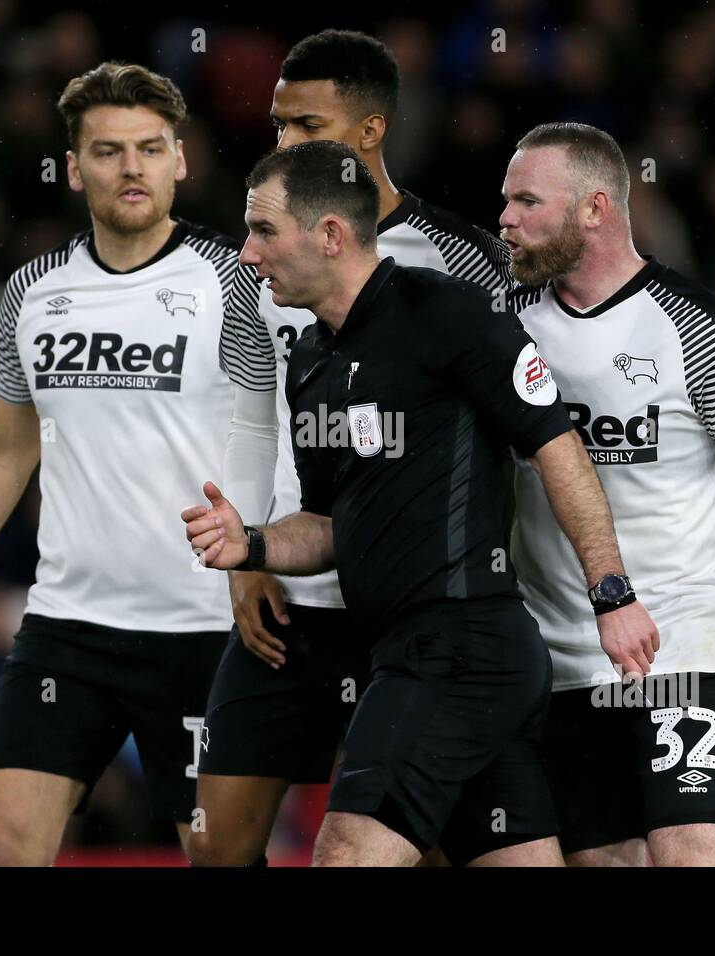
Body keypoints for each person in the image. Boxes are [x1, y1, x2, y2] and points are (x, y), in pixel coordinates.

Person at [183, 140, 660, 866]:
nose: (247, 255)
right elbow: (331, 528)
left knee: (346, 852)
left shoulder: (445, 311)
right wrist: (249, 543)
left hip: (459, 647)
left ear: (332, 235)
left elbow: (555, 446)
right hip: (410, 654)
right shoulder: (311, 362)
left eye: (264, 231)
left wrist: (611, 591)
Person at [0, 62, 239, 864]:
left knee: (221, 854)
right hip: (70, 626)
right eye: (108, 151)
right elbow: (2, 452)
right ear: (74, 168)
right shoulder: (36, 290)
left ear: (181, 160)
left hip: (205, 628)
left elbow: (281, 439)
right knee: (4, 837)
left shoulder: (236, 284)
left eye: (149, 148)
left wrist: (278, 565)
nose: (131, 167)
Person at [195, 29, 514, 867]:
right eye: (277, 126)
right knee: (214, 844)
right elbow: (252, 412)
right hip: (294, 600)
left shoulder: (464, 260)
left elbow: (515, 430)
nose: (284, 144)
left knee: (418, 844)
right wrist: (250, 554)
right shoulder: (255, 263)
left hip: (417, 609)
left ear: (370, 132)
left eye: (307, 127)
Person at [501, 122, 715, 866]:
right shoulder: (504, 326)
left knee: (695, 850)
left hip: (683, 644)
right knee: (605, 861)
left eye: (526, 201)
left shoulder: (700, 329)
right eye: (505, 201)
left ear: (594, 209)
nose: (506, 220)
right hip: (557, 657)